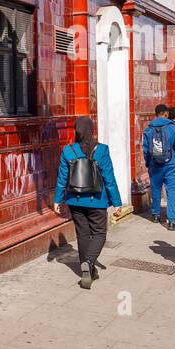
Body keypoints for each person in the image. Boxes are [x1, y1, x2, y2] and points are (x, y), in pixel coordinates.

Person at [54, 115, 122, 290]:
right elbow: (109, 177)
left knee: (82, 235)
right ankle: (89, 262)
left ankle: (88, 271)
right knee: (99, 233)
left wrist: (57, 199)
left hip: (74, 200)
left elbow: (62, 177)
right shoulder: (102, 150)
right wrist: (117, 202)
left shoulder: (68, 151)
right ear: (91, 130)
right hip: (97, 200)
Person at [142, 103, 175, 229]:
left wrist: (148, 162)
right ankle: (171, 220)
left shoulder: (148, 129)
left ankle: (156, 215)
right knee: (172, 191)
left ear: (156, 114)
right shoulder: (174, 129)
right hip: (172, 163)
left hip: (155, 164)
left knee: (156, 189)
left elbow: (146, 149)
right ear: (166, 114)